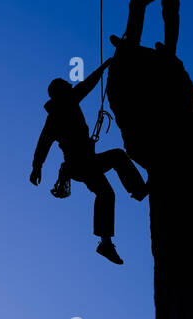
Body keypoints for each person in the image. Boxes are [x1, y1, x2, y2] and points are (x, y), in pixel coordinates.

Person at [29, 66, 147, 265]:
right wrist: (104, 67)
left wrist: (37, 168)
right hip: (81, 163)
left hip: (82, 164)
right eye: (67, 85)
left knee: (107, 190)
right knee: (116, 162)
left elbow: (43, 145)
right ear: (62, 92)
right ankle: (138, 191)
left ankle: (106, 242)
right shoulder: (66, 105)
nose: (71, 85)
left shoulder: (58, 113)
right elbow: (87, 85)